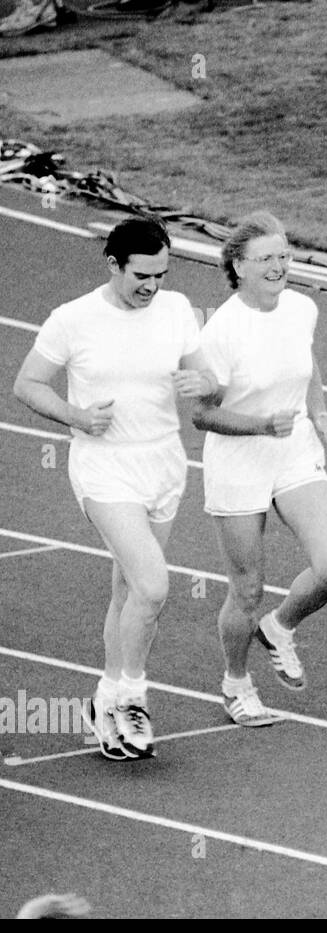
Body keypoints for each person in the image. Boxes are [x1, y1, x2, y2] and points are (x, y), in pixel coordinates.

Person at [13, 215, 216, 760]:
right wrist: (76, 415)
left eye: (162, 275)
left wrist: (209, 385)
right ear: (113, 264)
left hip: (164, 463)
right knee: (152, 586)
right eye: (141, 276)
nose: (152, 286)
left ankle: (106, 699)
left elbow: (206, 385)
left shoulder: (175, 311)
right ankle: (128, 697)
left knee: (127, 591)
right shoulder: (73, 319)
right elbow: (26, 384)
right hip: (105, 468)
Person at [191, 212, 327, 726]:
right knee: (247, 589)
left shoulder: (301, 308)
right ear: (238, 266)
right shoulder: (220, 333)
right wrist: (260, 427)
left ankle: (280, 628)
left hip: (295, 450)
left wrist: (320, 413)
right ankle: (236, 684)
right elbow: (202, 414)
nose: (280, 266)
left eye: (284, 256)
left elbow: (306, 366)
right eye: (267, 259)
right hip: (240, 460)